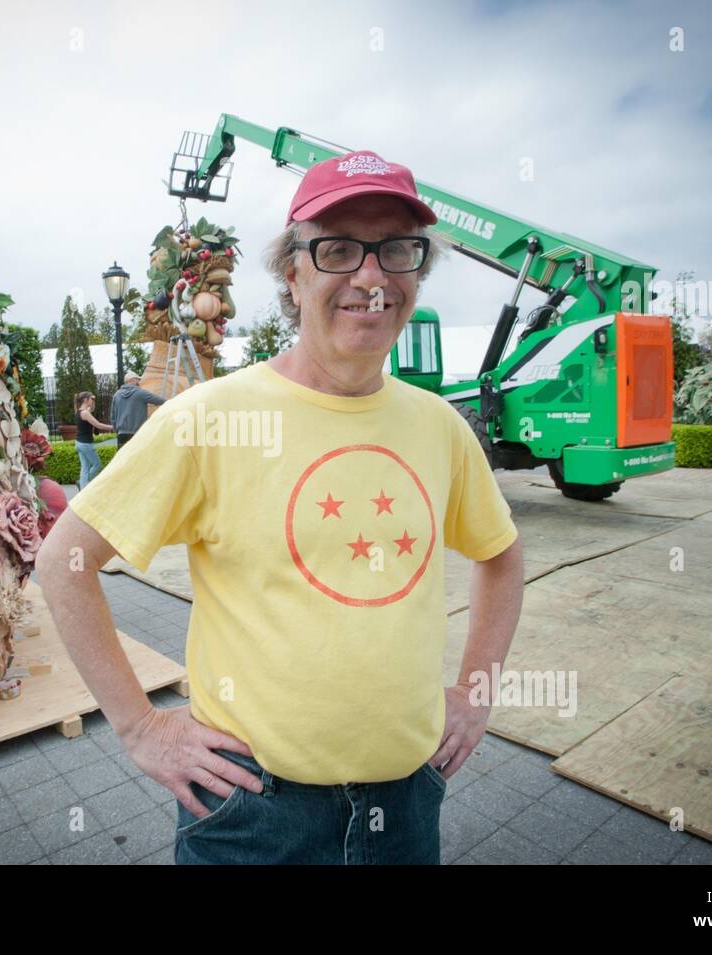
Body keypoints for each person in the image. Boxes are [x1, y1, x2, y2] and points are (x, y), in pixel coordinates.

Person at [39, 150, 524, 865]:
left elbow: (501, 555)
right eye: (337, 249)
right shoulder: (208, 417)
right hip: (253, 814)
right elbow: (63, 560)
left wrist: (476, 692)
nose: (371, 275)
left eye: (396, 249)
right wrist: (140, 726)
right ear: (292, 276)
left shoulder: (440, 426)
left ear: (417, 272)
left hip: (409, 805)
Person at [110, 371, 165, 448]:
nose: (139, 382)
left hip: (121, 435)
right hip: (138, 434)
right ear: (132, 380)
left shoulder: (116, 395)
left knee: (124, 459)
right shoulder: (140, 393)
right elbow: (160, 401)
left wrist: (117, 431)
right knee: (139, 459)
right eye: (137, 380)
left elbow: (112, 417)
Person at [72, 391, 112, 489]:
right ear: (86, 400)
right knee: (97, 465)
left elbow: (91, 409)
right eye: (91, 399)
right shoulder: (85, 413)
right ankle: (85, 482)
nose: (93, 400)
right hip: (86, 444)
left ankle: (82, 485)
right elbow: (98, 424)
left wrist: (91, 403)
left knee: (85, 466)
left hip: (79, 443)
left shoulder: (79, 411)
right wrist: (114, 427)